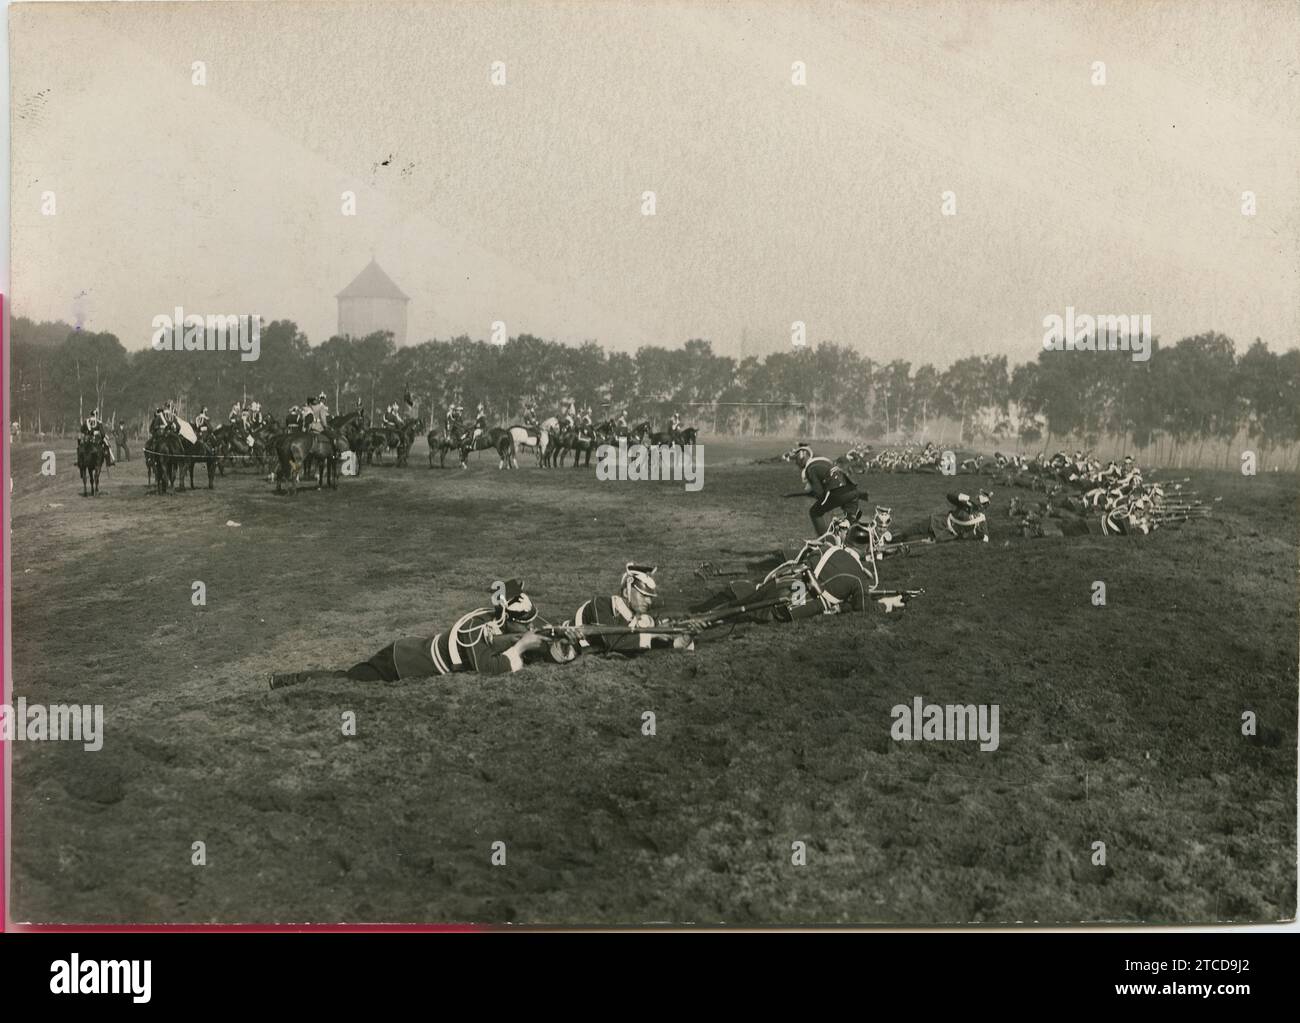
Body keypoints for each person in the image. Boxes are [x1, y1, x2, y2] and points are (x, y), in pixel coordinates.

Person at [268, 580, 564, 688]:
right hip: (401, 662)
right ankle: (287, 681)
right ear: (505, 617)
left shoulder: (493, 624)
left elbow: (508, 641)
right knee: (347, 680)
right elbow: (493, 669)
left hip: (409, 653)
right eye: (523, 624)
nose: (528, 628)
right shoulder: (476, 629)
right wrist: (523, 645)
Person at [564, 564, 698, 656]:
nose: (649, 601)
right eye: (643, 596)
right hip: (561, 645)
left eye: (650, 597)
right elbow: (613, 642)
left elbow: (658, 645)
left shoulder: (638, 620)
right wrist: (653, 634)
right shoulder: (601, 604)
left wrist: (686, 637)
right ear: (627, 593)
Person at [789, 444, 863, 535]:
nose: (796, 463)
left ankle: (824, 539)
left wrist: (815, 495)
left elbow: (819, 493)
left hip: (839, 492)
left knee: (815, 512)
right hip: (852, 490)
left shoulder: (810, 469)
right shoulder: (823, 461)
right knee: (850, 519)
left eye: (796, 459)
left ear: (802, 456)